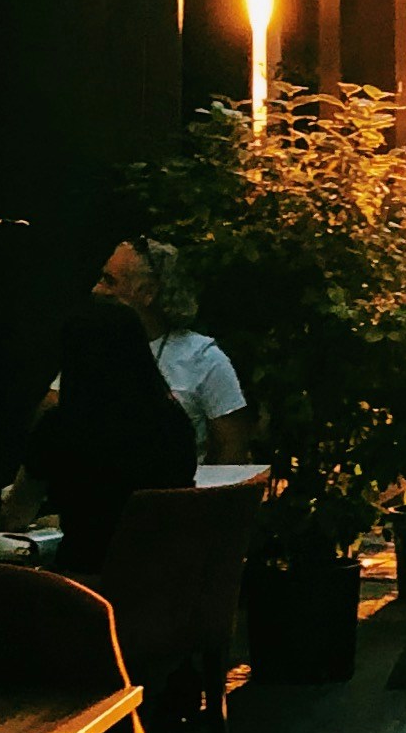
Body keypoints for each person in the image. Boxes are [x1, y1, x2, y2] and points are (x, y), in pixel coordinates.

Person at [26, 294, 197, 575]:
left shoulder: (59, 428)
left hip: (85, 585)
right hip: (162, 579)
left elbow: (19, 509)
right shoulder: (173, 423)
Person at [94, 236, 253, 458]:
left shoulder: (203, 358)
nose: (97, 290)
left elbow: (233, 447)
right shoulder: (94, 348)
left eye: (109, 281)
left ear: (148, 292)